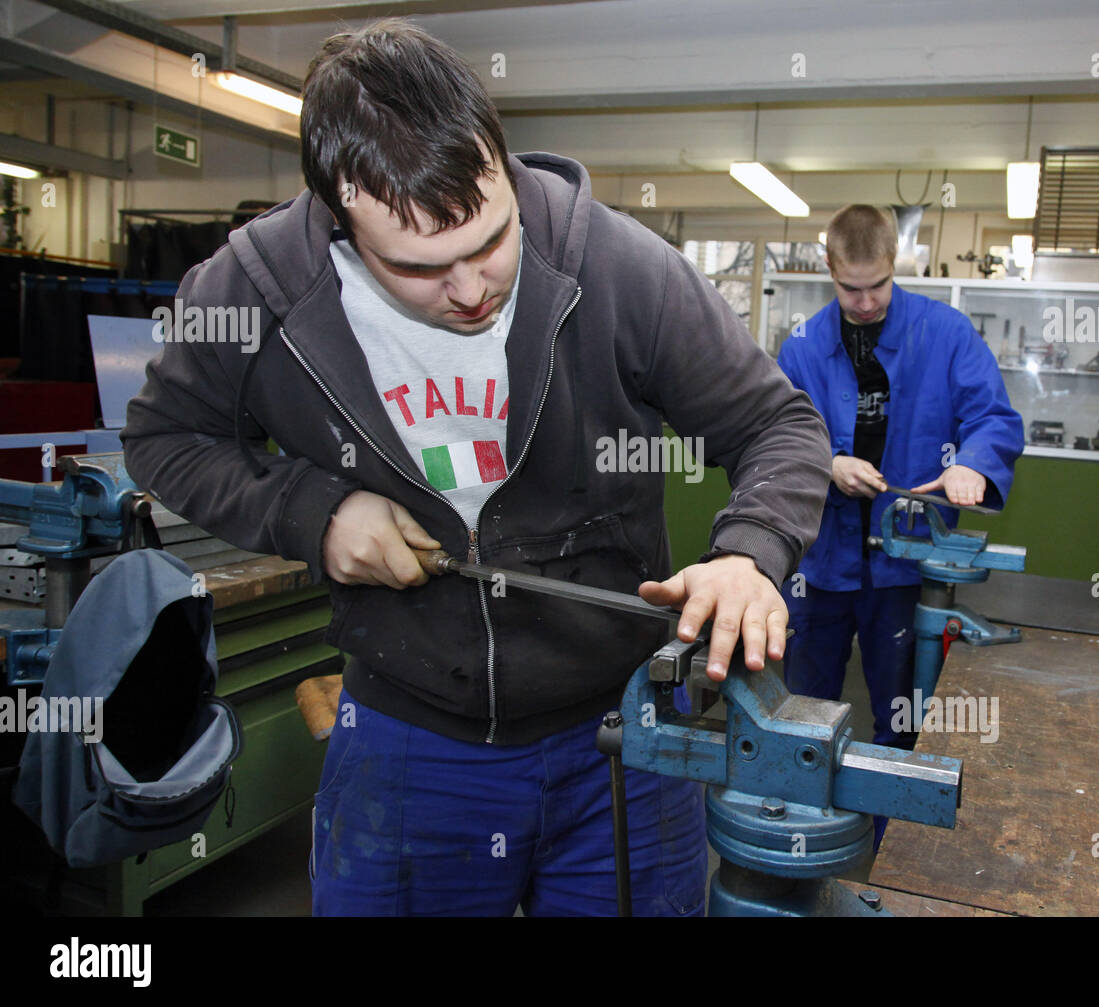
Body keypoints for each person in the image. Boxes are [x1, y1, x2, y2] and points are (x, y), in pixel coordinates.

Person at [121, 20, 831, 916]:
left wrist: (750, 551)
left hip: (618, 731)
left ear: (498, 157)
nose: (471, 290)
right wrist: (318, 513)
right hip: (409, 739)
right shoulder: (255, 291)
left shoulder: (613, 267)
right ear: (342, 224)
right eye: (420, 268)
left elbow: (779, 423)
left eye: (491, 242)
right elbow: (163, 439)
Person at [776, 204, 1022, 768]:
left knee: (904, 718)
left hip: (907, 567)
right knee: (802, 713)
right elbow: (780, 436)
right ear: (828, 267)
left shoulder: (947, 334)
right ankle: (800, 826)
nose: (865, 303)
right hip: (821, 563)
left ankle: (895, 846)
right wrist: (829, 464)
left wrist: (972, 465)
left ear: (895, 262)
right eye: (849, 289)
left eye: (878, 286)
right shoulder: (804, 346)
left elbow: (993, 417)